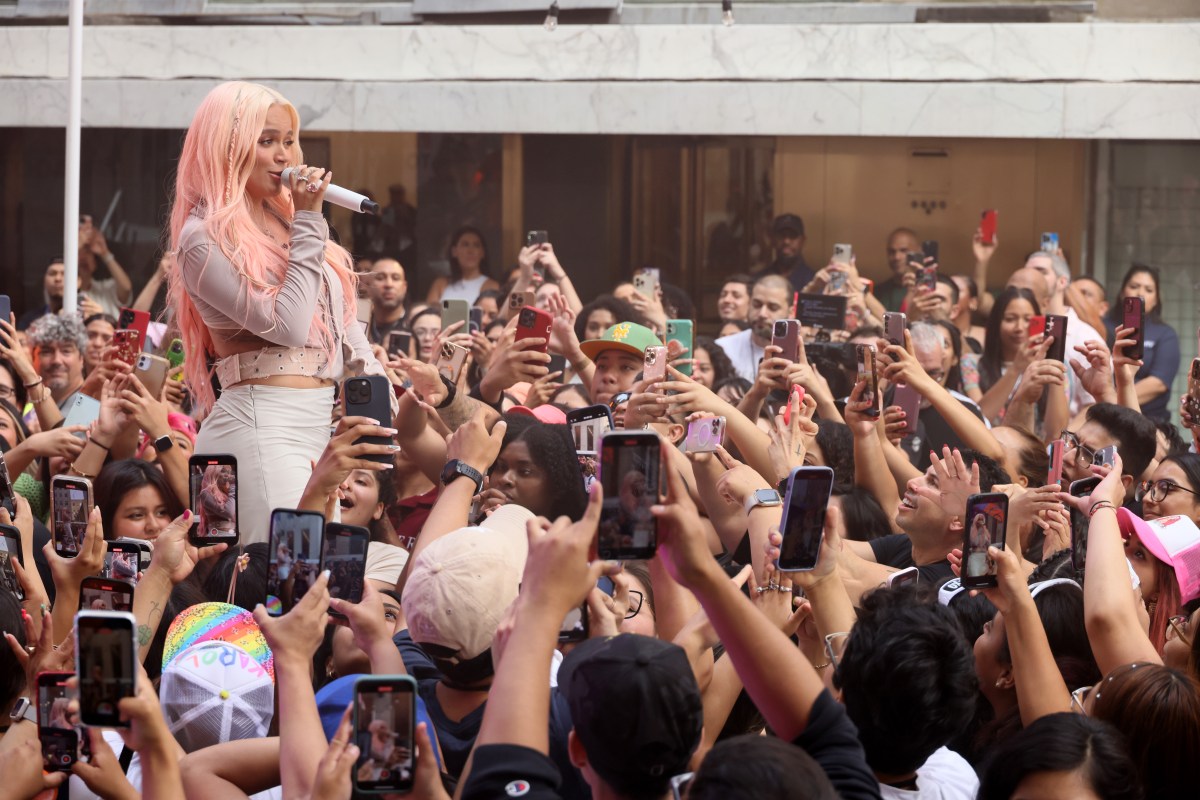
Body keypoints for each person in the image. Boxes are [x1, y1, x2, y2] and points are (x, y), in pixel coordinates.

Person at [167, 81, 395, 544]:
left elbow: (343, 320)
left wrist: (378, 388)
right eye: (266, 140)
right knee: (286, 578)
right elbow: (287, 325)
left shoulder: (287, 218)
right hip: (260, 427)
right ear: (226, 147)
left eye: (289, 141)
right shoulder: (202, 237)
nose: (283, 155)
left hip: (317, 426)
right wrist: (311, 219)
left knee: (318, 579)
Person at [1103, 264, 1180, 422]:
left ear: (1156, 300)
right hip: (1103, 416)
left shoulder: (1165, 334)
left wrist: (1110, 402)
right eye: (1134, 286)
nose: (1140, 293)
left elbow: (1158, 384)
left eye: (1149, 290)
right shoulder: (1103, 326)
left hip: (1149, 420)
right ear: (1122, 292)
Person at [715, 274, 794, 382]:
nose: (762, 314)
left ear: (790, 312)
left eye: (773, 308)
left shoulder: (799, 353)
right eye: (756, 305)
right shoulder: (723, 347)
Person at [25, 313, 87, 409]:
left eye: (66, 351)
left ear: (82, 358)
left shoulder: (93, 404)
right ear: (34, 357)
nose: (56, 360)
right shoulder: (30, 406)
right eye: (47, 352)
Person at [425, 226, 499, 304]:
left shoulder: (492, 286)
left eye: (476, 245)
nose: (471, 251)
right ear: (454, 251)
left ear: (482, 253)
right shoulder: (440, 284)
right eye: (465, 245)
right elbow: (429, 314)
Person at [364, 258, 409, 346]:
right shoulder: (359, 326)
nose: (389, 284)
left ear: (404, 287)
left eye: (395, 278)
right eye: (380, 278)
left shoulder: (414, 325)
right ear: (369, 286)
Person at [875, 228, 922, 312]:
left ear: (918, 251)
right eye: (892, 252)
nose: (897, 257)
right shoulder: (878, 291)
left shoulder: (926, 290)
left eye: (903, 251)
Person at [764, 213, 814, 290]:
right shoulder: (760, 279)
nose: (786, 241)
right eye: (781, 235)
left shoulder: (814, 282)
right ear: (773, 240)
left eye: (792, 235)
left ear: (803, 241)